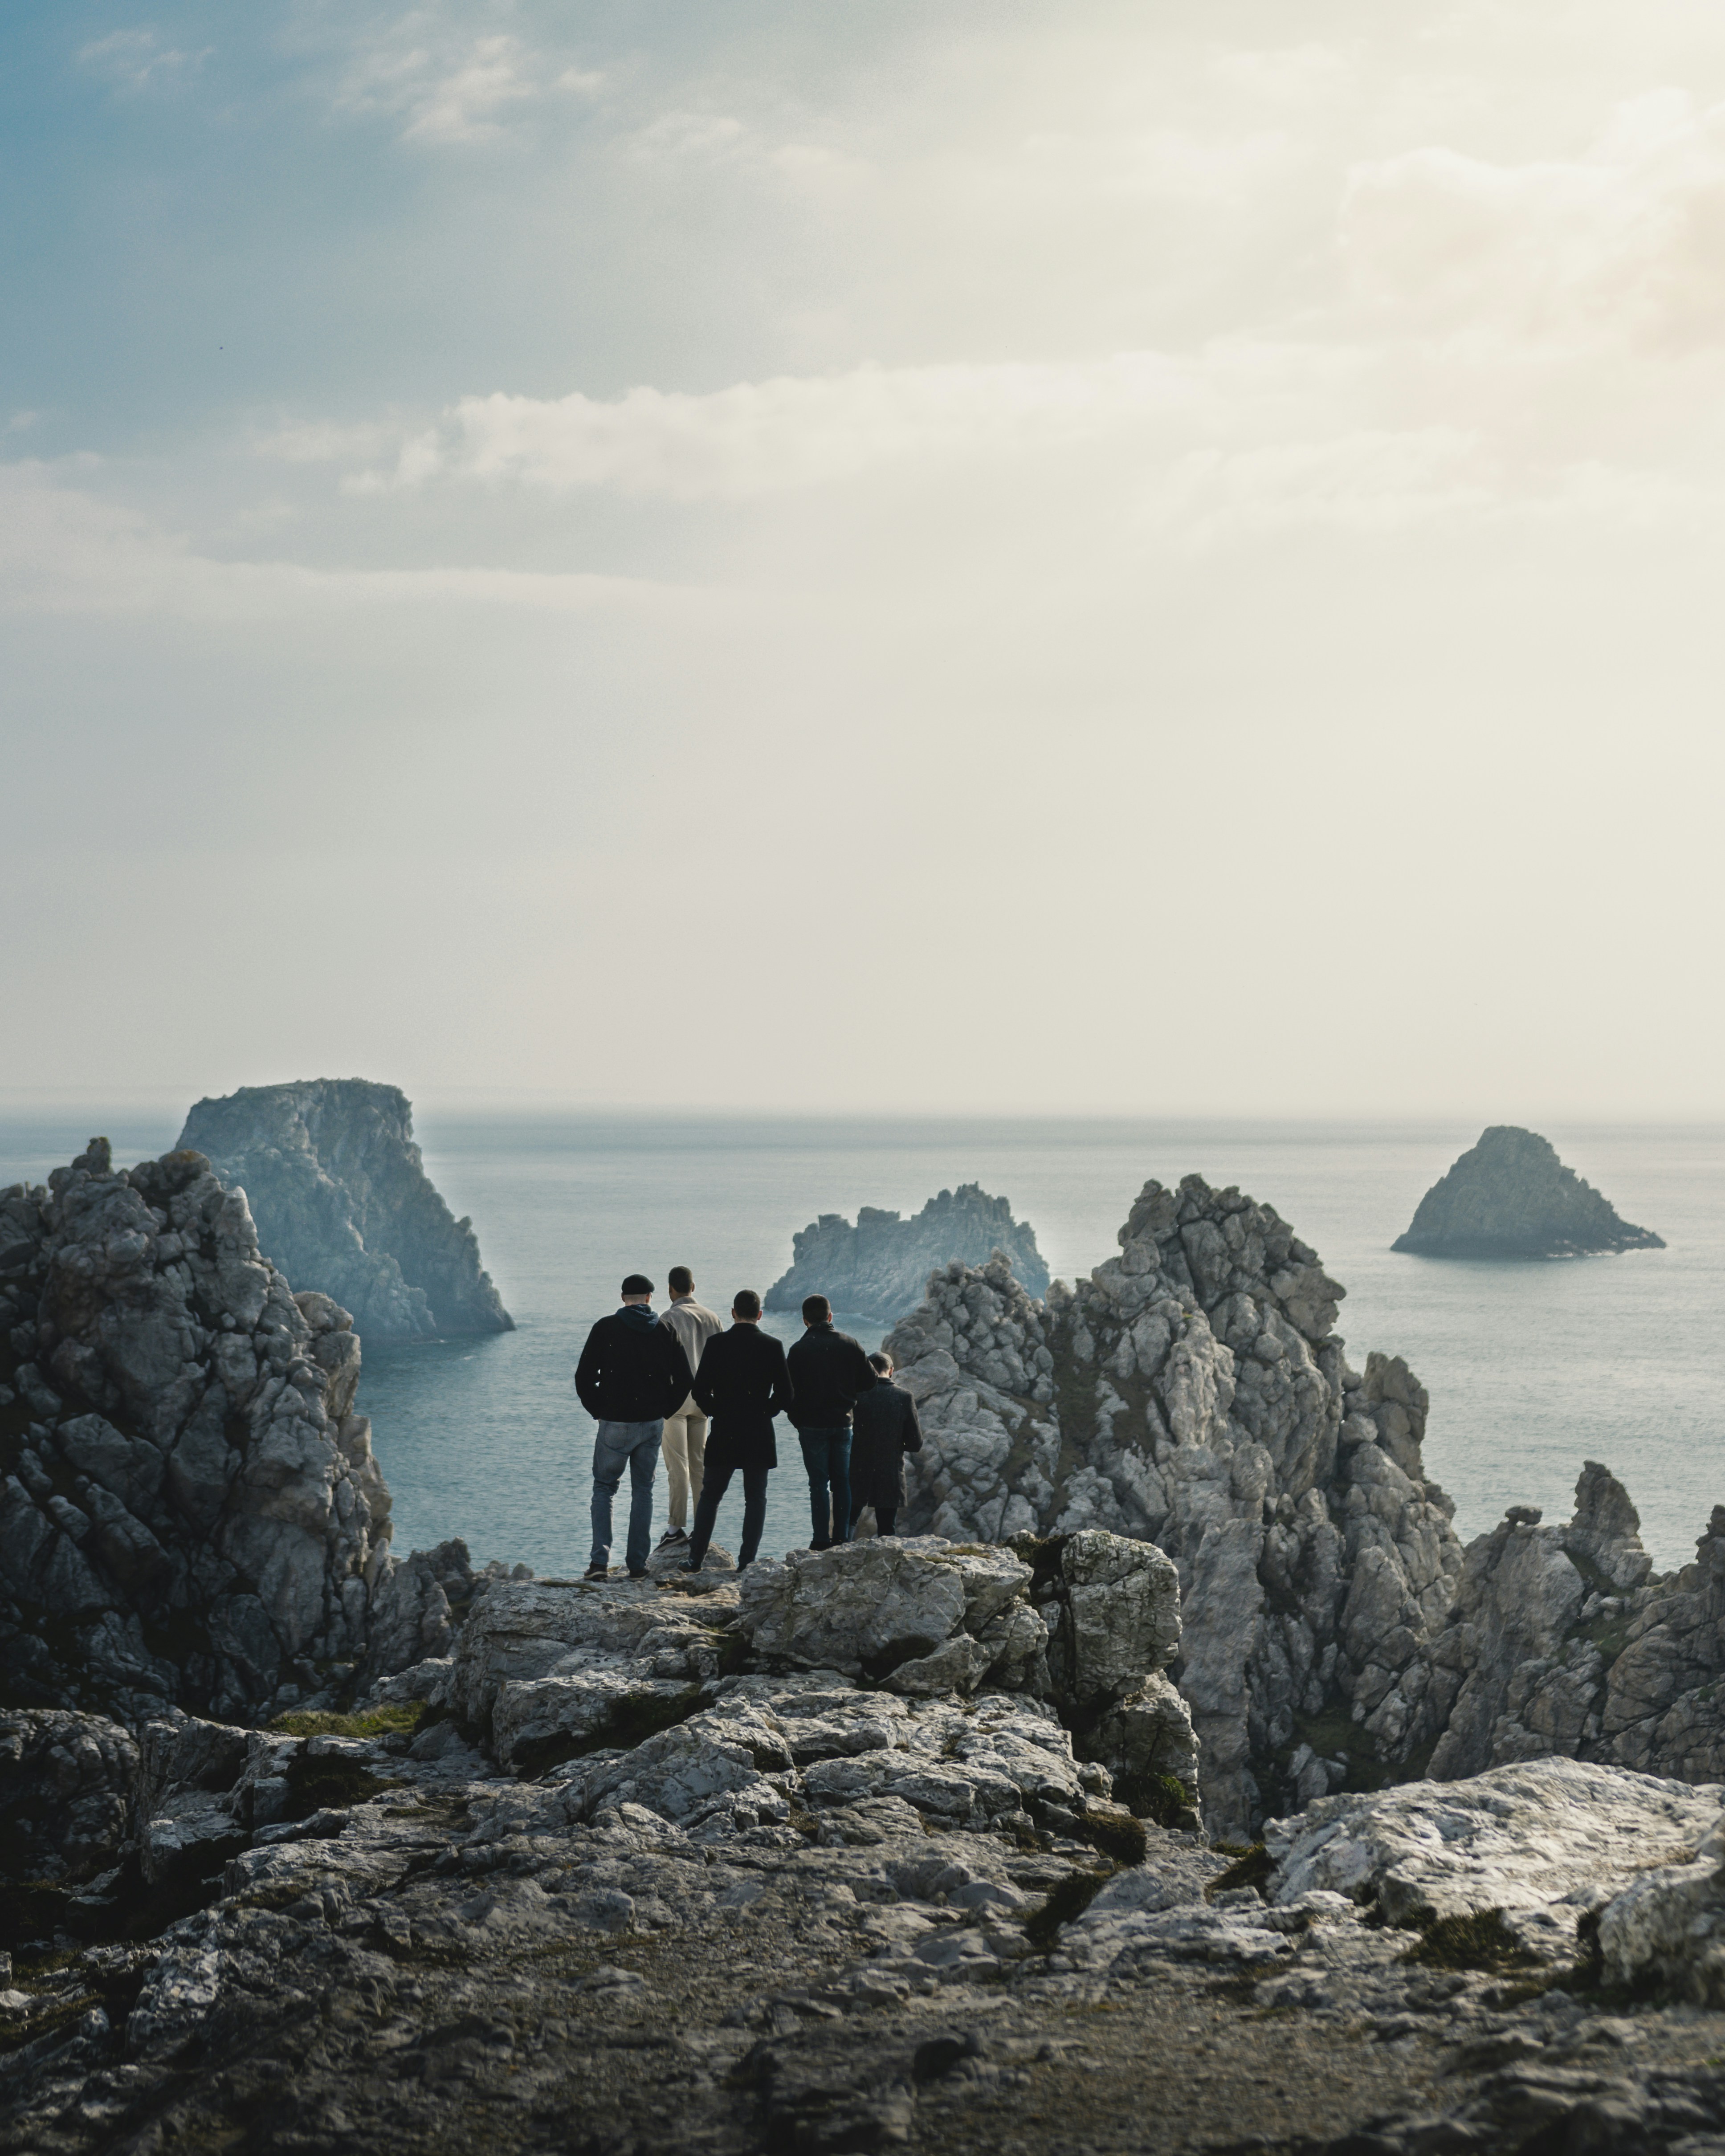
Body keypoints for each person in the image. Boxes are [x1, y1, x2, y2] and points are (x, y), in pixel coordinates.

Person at [574, 1273, 693, 1581]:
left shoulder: (606, 1327)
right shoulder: (666, 1329)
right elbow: (685, 1380)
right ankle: (637, 1566)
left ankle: (599, 1563)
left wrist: (597, 1410)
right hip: (651, 1423)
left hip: (614, 1420)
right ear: (650, 1297)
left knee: (604, 1488)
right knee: (643, 1491)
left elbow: (583, 1376)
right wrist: (664, 1410)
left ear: (623, 1297)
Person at [683, 1288, 793, 1573]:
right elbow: (786, 1394)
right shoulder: (773, 1345)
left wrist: (717, 1410)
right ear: (760, 1315)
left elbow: (699, 1389)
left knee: (711, 1496)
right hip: (758, 1431)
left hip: (725, 1429)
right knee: (755, 1498)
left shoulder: (717, 1344)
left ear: (733, 1313)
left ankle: (695, 1559)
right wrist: (765, 1411)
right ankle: (746, 1564)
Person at [785, 1293, 877, 1550]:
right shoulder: (851, 1344)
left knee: (818, 1485)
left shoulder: (799, 1350)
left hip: (812, 1426)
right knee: (842, 1482)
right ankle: (842, 1538)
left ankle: (820, 1540)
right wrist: (848, 1395)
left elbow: (786, 1393)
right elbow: (869, 1382)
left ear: (805, 1321)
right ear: (830, 1317)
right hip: (843, 1422)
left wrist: (798, 1420)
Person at [657, 1265, 724, 1551]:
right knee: (700, 1465)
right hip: (704, 1401)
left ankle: (675, 1529)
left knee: (678, 1466)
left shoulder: (668, 1318)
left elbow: (661, 1367)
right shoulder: (713, 1318)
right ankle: (703, 1526)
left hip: (675, 1401)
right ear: (693, 1288)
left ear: (670, 1290)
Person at [847, 1350, 923, 1540]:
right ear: (891, 1371)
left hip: (857, 1468)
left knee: (848, 1522)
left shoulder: (856, 1396)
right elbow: (916, 1443)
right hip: (890, 1469)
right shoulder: (905, 1397)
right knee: (887, 1529)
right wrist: (893, 1443)